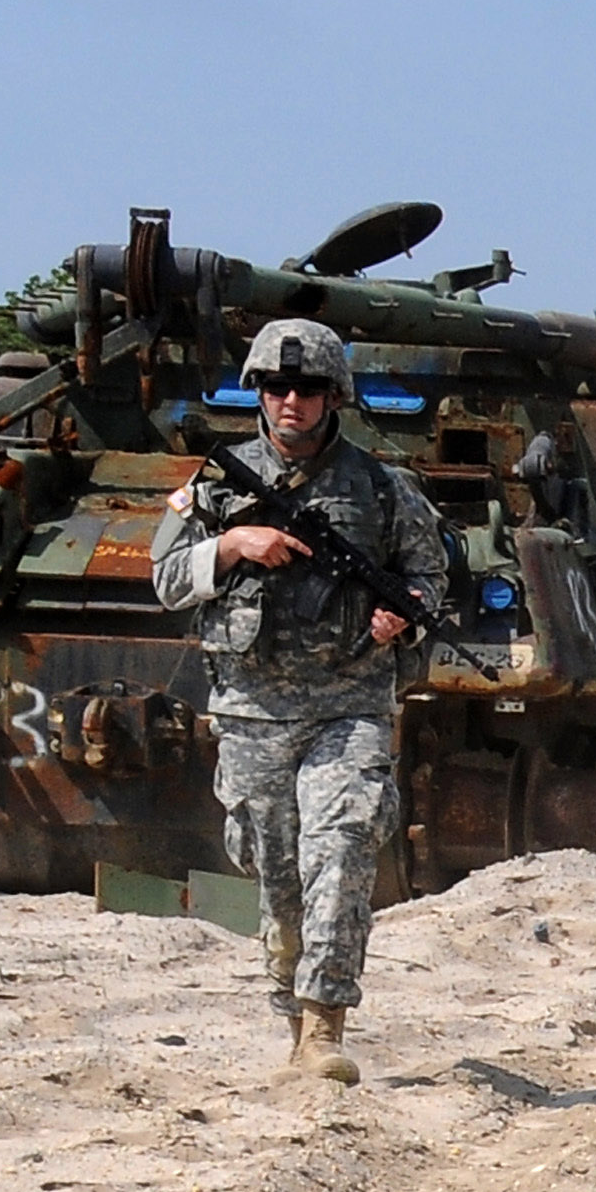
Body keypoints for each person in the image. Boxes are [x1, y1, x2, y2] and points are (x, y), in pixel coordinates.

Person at [149, 320, 450, 1086]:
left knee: (344, 846)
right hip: (251, 706)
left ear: (332, 396)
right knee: (275, 867)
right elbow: (165, 579)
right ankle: (290, 1017)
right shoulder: (217, 484)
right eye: (276, 387)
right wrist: (232, 545)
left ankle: (325, 1024)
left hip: (347, 702)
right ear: (258, 391)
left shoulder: (382, 489)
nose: (290, 401)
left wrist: (404, 615)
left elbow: (429, 577)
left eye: (307, 388)